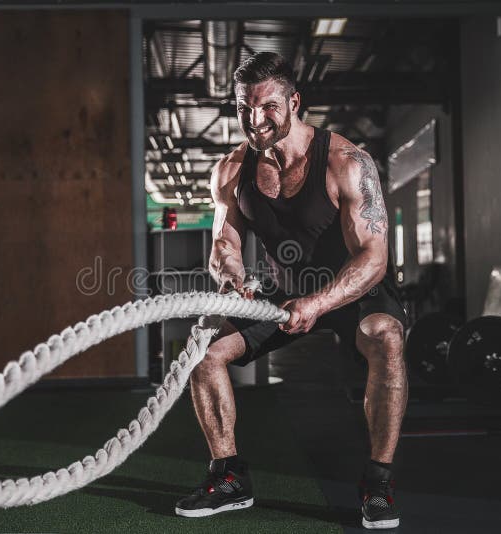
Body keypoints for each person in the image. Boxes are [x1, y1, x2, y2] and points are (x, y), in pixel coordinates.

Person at [174, 52, 408, 530]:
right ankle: (229, 476)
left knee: (385, 336)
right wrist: (231, 275)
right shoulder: (231, 170)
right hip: (284, 295)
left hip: (351, 292)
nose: (255, 120)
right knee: (204, 352)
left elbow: (373, 257)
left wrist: (319, 302)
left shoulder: (347, 162)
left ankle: (378, 482)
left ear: (294, 101)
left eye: (268, 107)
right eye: (244, 108)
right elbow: (225, 241)